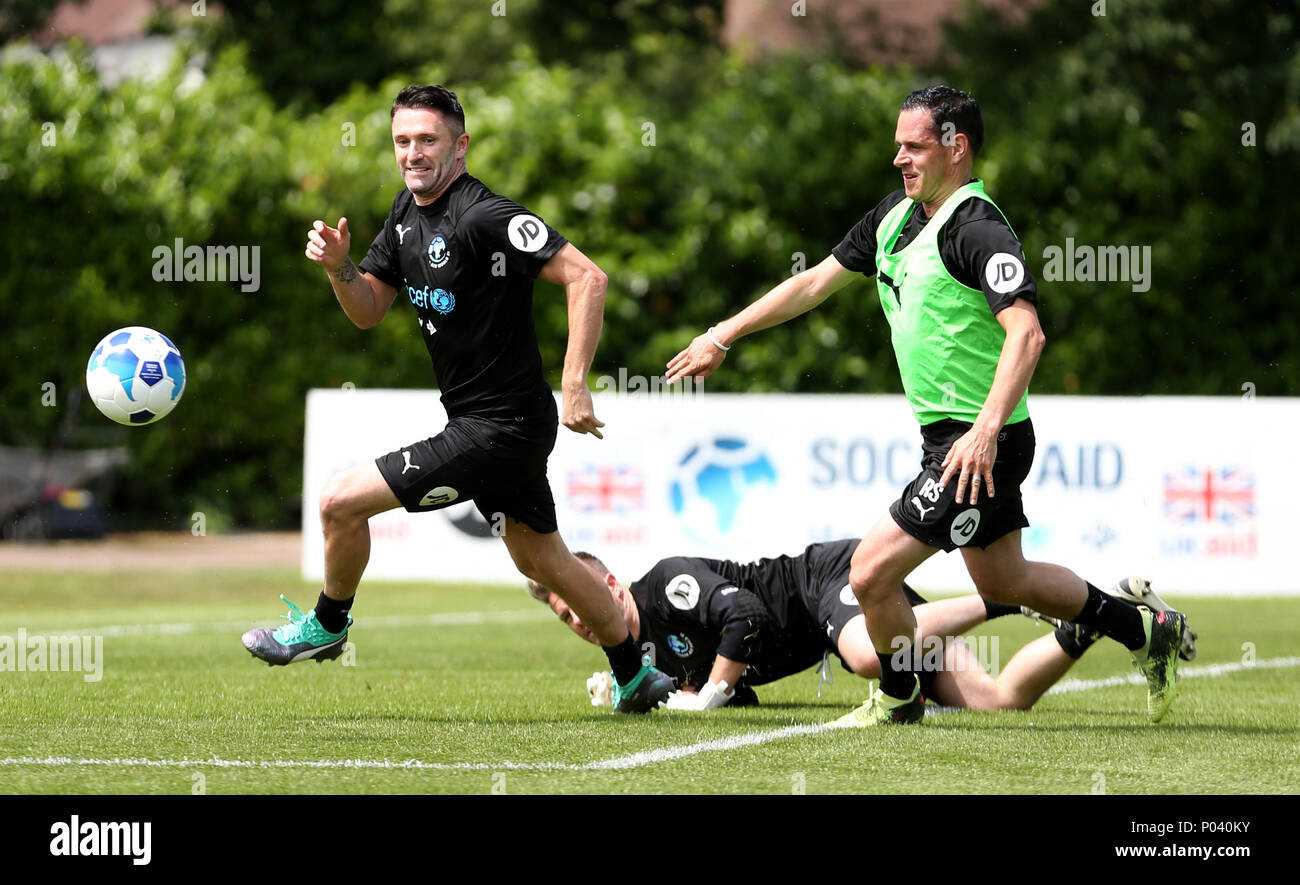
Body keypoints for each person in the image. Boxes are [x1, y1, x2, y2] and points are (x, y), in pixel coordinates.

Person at [664, 85, 1188, 725]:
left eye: (913, 147)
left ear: (956, 148)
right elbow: (811, 283)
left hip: (978, 443)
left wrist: (985, 432)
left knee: (869, 574)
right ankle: (1143, 631)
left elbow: (1028, 333)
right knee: (1004, 582)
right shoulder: (894, 216)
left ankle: (898, 696)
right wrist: (722, 335)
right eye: (897, 148)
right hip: (953, 440)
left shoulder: (978, 227)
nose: (900, 159)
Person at [241, 85, 672, 713]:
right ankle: (634, 673)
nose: (413, 153)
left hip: (500, 428)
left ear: (460, 146)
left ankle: (329, 623)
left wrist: (575, 383)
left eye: (428, 140)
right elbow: (367, 310)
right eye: (402, 141)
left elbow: (588, 276)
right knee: (545, 562)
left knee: (339, 503)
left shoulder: (483, 216)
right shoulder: (405, 215)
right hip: (493, 424)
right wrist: (339, 267)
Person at [526, 540, 1191, 714]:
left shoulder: (666, 580)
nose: (578, 620)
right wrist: (654, 696)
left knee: (871, 658)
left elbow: (747, 619)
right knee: (999, 700)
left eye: (576, 602)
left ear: (607, 584)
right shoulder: (636, 653)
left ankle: (1011, 601)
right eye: (564, 618)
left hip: (827, 579)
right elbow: (739, 690)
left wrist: (706, 695)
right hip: (829, 624)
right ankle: (1094, 620)